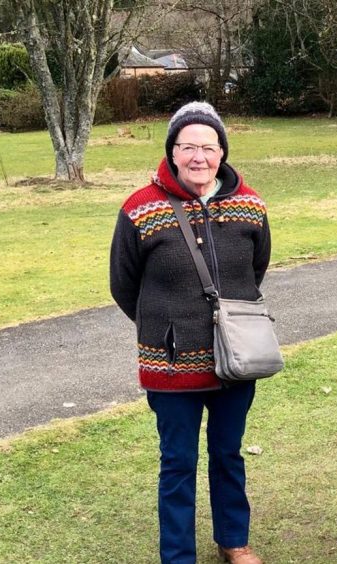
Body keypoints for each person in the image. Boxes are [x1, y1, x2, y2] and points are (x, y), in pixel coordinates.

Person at [111, 101, 270, 564]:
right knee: (177, 464)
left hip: (235, 361)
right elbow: (124, 285)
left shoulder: (250, 204)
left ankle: (234, 542)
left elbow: (255, 270)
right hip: (171, 363)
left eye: (208, 146)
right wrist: (165, 328)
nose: (198, 156)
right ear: (172, 151)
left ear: (222, 151)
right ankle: (178, 555)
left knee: (228, 455)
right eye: (188, 147)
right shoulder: (140, 209)